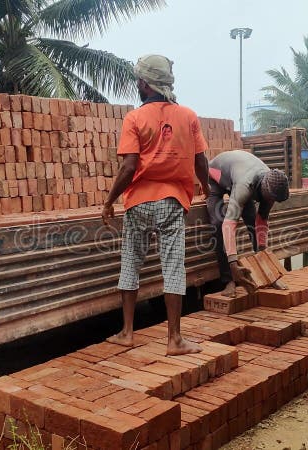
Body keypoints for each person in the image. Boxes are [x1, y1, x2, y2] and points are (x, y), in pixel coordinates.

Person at [102, 54, 210, 356]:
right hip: (172, 202)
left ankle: (126, 333)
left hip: (138, 203)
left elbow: (128, 167)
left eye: (139, 79)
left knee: (131, 263)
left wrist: (110, 201)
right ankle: (174, 340)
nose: (137, 84)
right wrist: (207, 187)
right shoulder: (188, 116)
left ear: (145, 84)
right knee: (173, 266)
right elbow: (201, 160)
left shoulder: (135, 118)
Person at [207, 150, 291, 297]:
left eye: (274, 200)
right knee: (219, 225)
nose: (271, 202)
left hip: (239, 173)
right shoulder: (245, 186)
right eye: (270, 199)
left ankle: (266, 276)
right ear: (263, 190)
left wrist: (263, 254)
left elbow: (261, 221)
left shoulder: (271, 187)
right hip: (216, 175)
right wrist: (233, 263)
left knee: (252, 221)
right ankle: (228, 281)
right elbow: (229, 224)